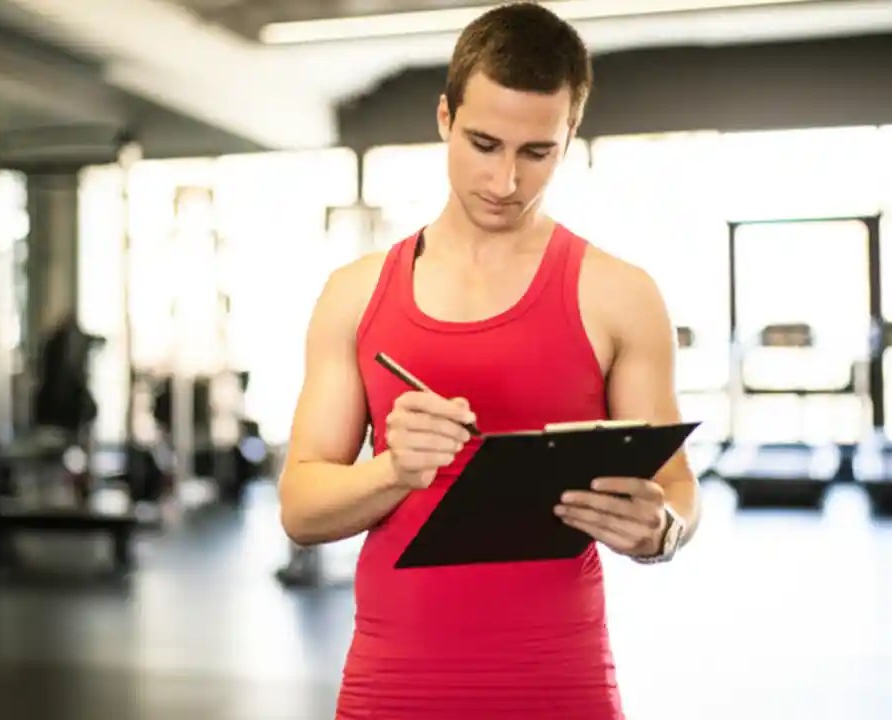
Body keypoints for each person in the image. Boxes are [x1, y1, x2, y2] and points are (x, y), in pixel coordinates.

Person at [278, 3, 701, 718]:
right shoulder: (354, 294)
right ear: (444, 118)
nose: (505, 181)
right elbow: (300, 507)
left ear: (570, 136)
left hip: (560, 679)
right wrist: (394, 469)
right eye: (483, 143)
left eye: (537, 153)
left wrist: (663, 533)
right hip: (394, 683)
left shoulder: (620, 294)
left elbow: (675, 488)